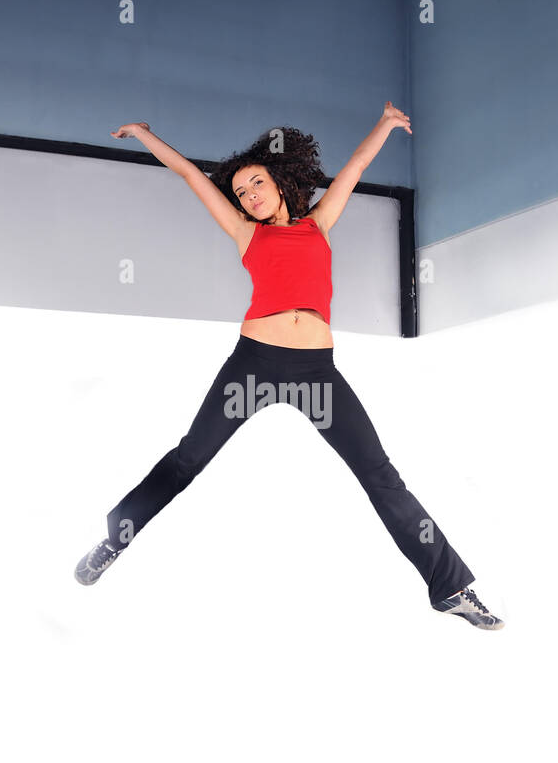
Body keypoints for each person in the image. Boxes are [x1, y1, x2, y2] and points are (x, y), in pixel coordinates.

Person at [74, 103, 503, 630]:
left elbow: (355, 169)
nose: (249, 196)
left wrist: (387, 124)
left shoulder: (318, 225)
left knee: (381, 476)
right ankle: (113, 540)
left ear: (278, 181)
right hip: (253, 365)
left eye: (256, 184)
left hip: (317, 374)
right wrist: (145, 134)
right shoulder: (245, 233)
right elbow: (189, 173)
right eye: (241, 193)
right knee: (188, 459)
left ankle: (451, 587)